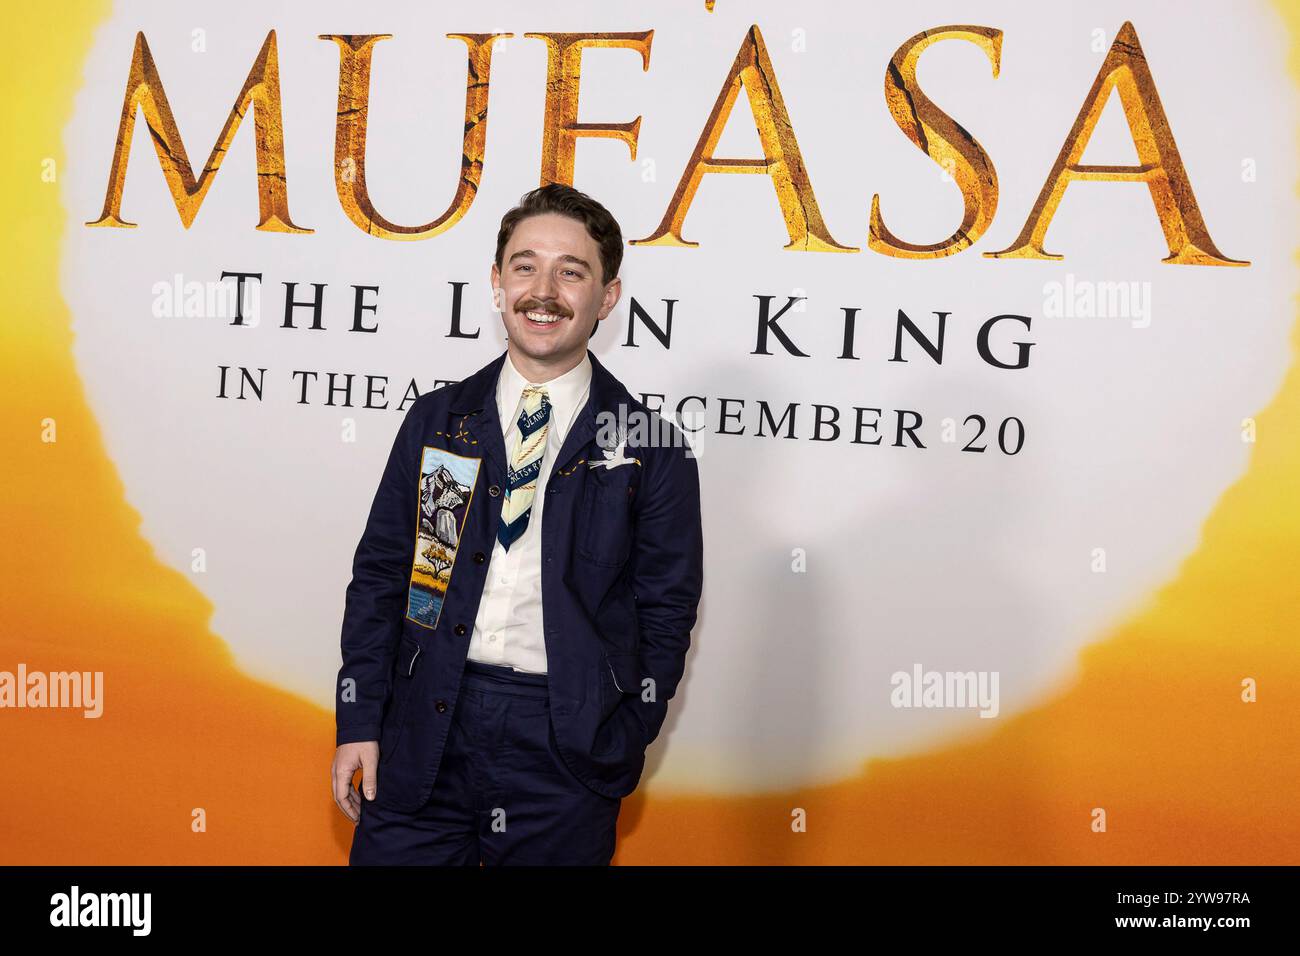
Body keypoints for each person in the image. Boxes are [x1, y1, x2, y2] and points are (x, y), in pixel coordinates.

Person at [330, 183, 704, 865]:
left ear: (608, 296)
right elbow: (383, 575)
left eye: (572, 270)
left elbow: (667, 608)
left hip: (564, 750)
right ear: (497, 283)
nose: (544, 290)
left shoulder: (652, 444)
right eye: (525, 266)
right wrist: (360, 719)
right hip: (425, 725)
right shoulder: (440, 420)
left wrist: (621, 733)